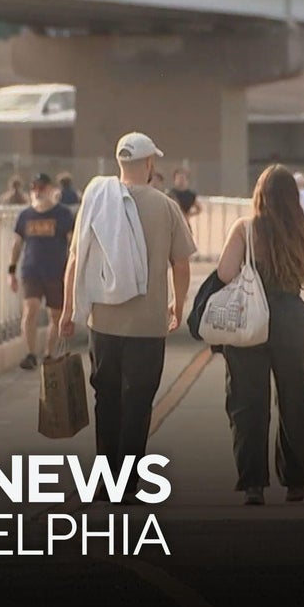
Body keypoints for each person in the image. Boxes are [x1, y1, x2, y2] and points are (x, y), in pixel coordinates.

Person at [60, 131, 196, 503]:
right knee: (137, 403)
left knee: (106, 399)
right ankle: (128, 485)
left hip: (102, 323)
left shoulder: (96, 199)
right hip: (147, 325)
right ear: (150, 163)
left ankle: (106, 481)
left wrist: (69, 309)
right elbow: (181, 263)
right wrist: (177, 303)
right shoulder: (165, 206)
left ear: (120, 163)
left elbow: (76, 256)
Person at [216, 164, 304, 506]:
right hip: (291, 319)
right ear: (293, 198)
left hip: (248, 319)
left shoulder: (245, 228)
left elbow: (224, 272)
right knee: (295, 399)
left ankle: (253, 484)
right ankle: (297, 482)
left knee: (247, 402)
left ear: (260, 195)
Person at [9, 173, 75, 370]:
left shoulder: (63, 214)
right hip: (31, 270)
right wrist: (11, 271)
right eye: (34, 188)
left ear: (50, 189)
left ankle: (49, 354)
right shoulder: (25, 215)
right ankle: (30, 354)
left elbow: (72, 242)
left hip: (56, 271)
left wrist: (75, 269)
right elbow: (17, 243)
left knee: (55, 315)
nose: (38, 191)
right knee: (31, 309)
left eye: (42, 188)